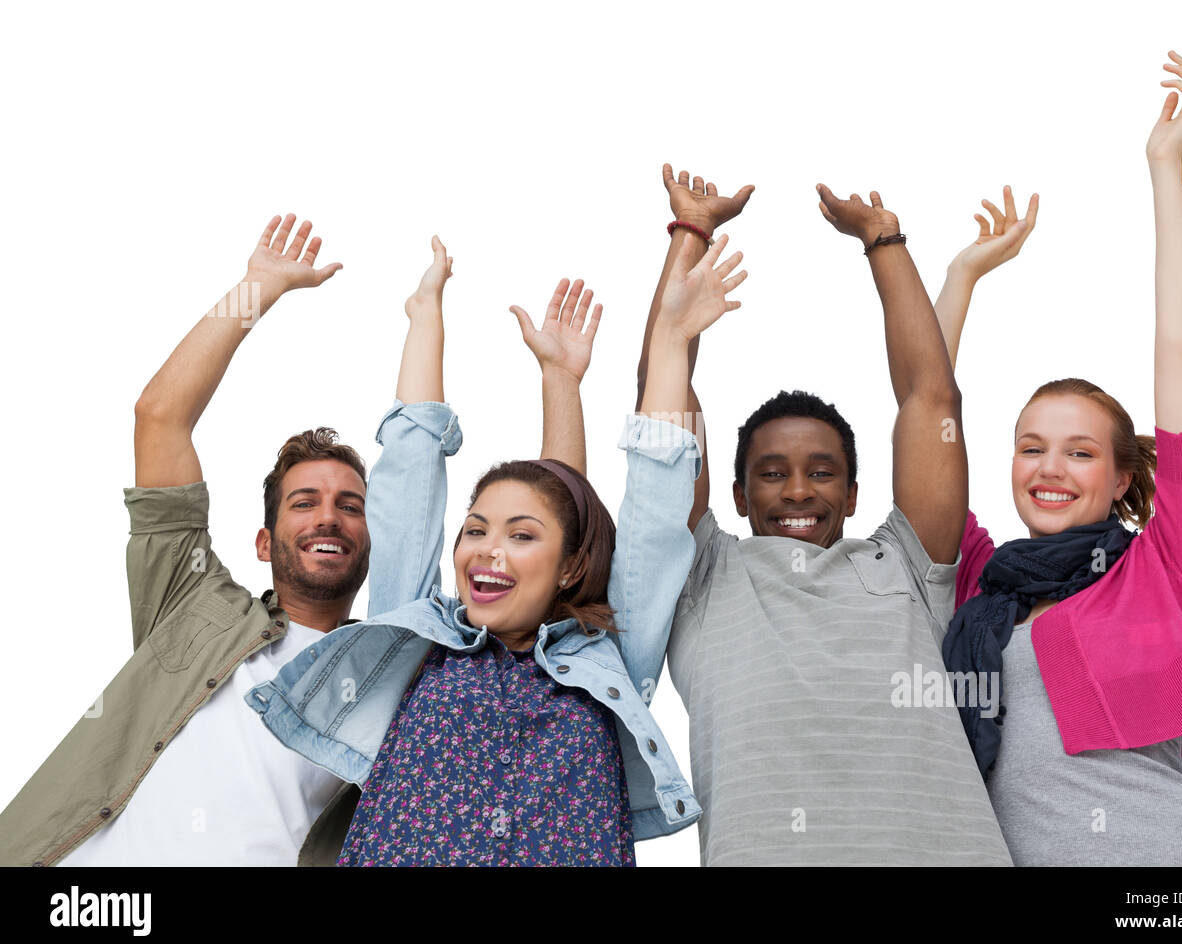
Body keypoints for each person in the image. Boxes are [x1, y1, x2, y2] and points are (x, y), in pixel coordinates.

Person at [245, 233, 747, 865]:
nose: (489, 551)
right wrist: (425, 316)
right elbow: (407, 488)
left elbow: (653, 513)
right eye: (476, 529)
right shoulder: (417, 641)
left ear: (571, 567)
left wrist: (671, 342)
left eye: (521, 536)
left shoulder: (611, 658)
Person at [628, 165, 1012, 865]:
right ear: (738, 496)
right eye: (771, 474)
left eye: (822, 472)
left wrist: (883, 241)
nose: (798, 490)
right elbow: (661, 396)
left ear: (855, 494)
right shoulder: (704, 573)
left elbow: (933, 402)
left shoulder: (903, 564)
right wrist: (690, 235)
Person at [0, 213, 412, 866]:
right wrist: (260, 287)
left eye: (351, 506)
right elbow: (159, 418)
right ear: (262, 540)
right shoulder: (192, 600)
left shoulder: (399, 684)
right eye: (304, 503)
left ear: (373, 539)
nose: (328, 518)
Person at [935, 51, 1182, 866]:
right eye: (1031, 447)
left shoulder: (1167, 570)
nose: (1049, 468)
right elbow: (923, 420)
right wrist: (961, 278)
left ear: (1120, 478)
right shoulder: (983, 584)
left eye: (1079, 453)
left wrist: (1166, 167)